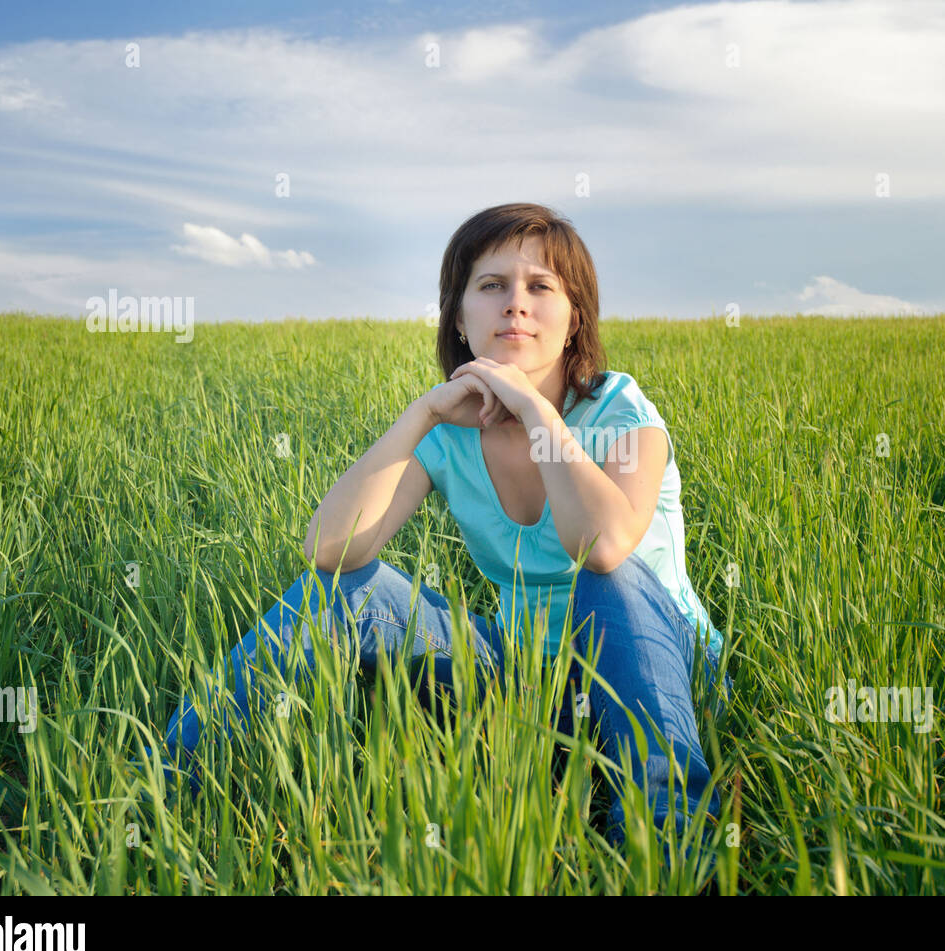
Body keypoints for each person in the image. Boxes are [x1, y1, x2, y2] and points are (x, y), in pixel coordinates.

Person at [148, 202, 733, 860]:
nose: (516, 304)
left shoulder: (623, 411)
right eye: (491, 286)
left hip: (649, 677)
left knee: (614, 580)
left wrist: (537, 412)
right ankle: (156, 802)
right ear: (458, 317)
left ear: (575, 322)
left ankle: (672, 852)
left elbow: (601, 543)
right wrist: (423, 414)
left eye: (541, 288)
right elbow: (331, 551)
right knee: (343, 591)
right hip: (529, 688)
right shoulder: (452, 430)